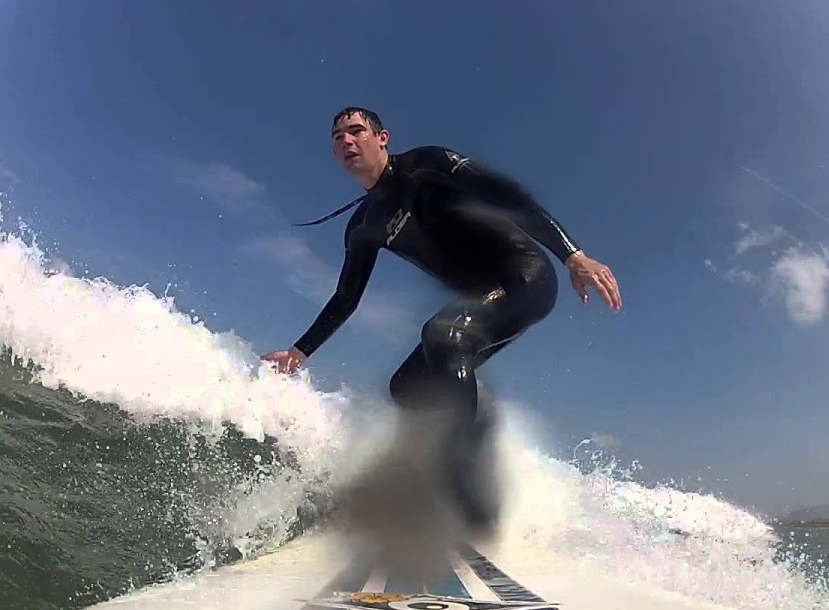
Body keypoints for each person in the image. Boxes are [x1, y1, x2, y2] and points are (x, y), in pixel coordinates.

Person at [261, 107, 621, 532]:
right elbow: (345, 298)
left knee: (443, 334)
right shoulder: (363, 226)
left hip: (526, 277)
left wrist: (573, 255)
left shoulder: (429, 164)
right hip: (482, 304)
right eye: (337, 136)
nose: (346, 140)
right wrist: (299, 352)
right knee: (406, 386)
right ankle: (476, 427)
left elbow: (509, 197)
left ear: (382, 138)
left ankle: (467, 494)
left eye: (356, 130)